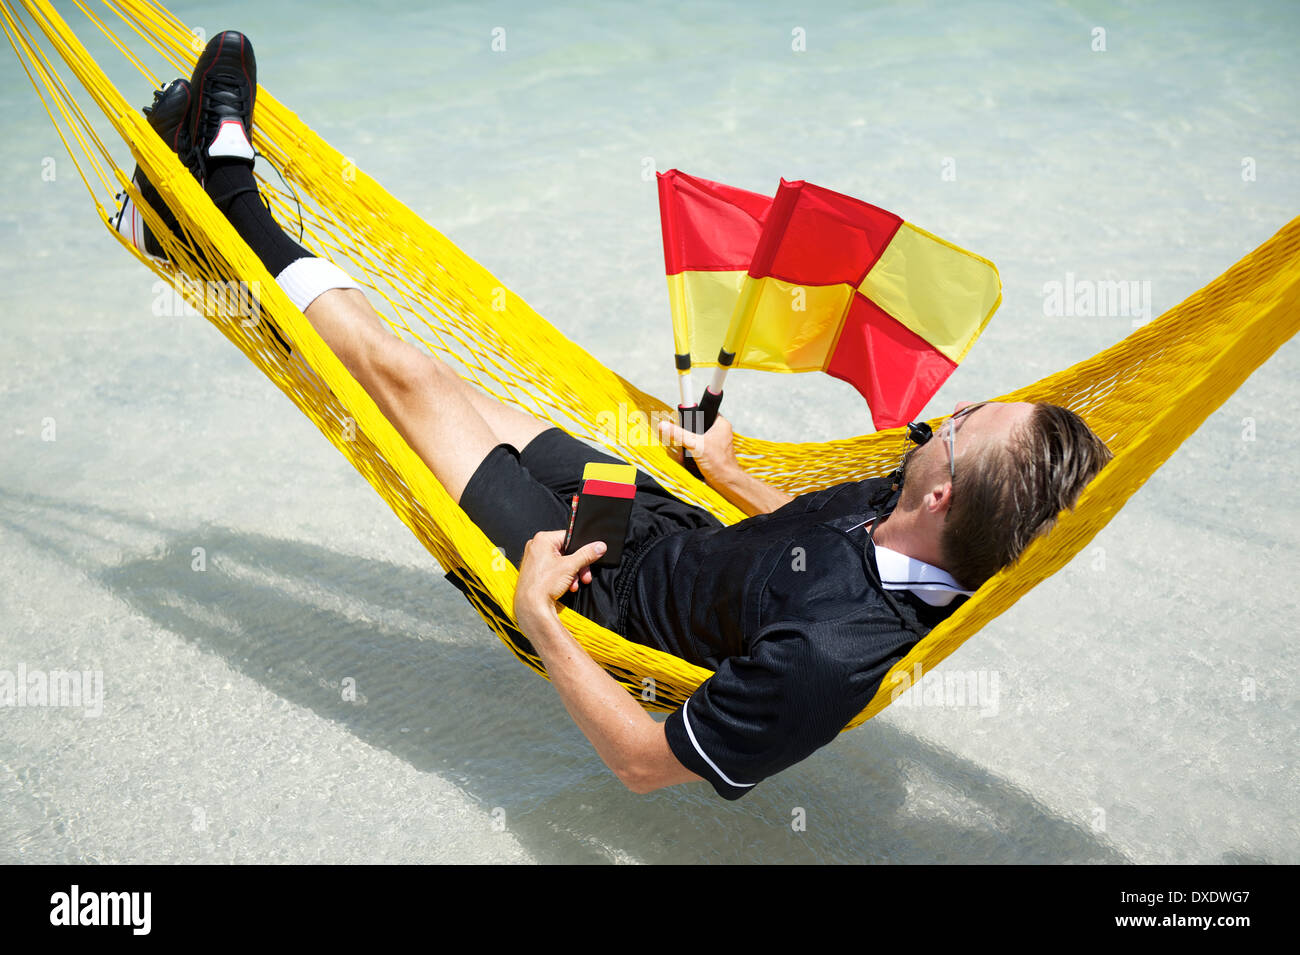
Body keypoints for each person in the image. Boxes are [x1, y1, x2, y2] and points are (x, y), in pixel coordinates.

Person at [118, 31, 1114, 801]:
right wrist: (726, 475)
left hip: (589, 583)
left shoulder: (829, 657)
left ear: (945, 490)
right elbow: (812, 537)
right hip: (641, 521)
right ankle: (181, 243)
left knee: (402, 375)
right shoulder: (915, 501)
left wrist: (542, 616)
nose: (951, 411)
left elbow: (645, 764)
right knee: (437, 391)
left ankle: (223, 178)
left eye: (969, 421)